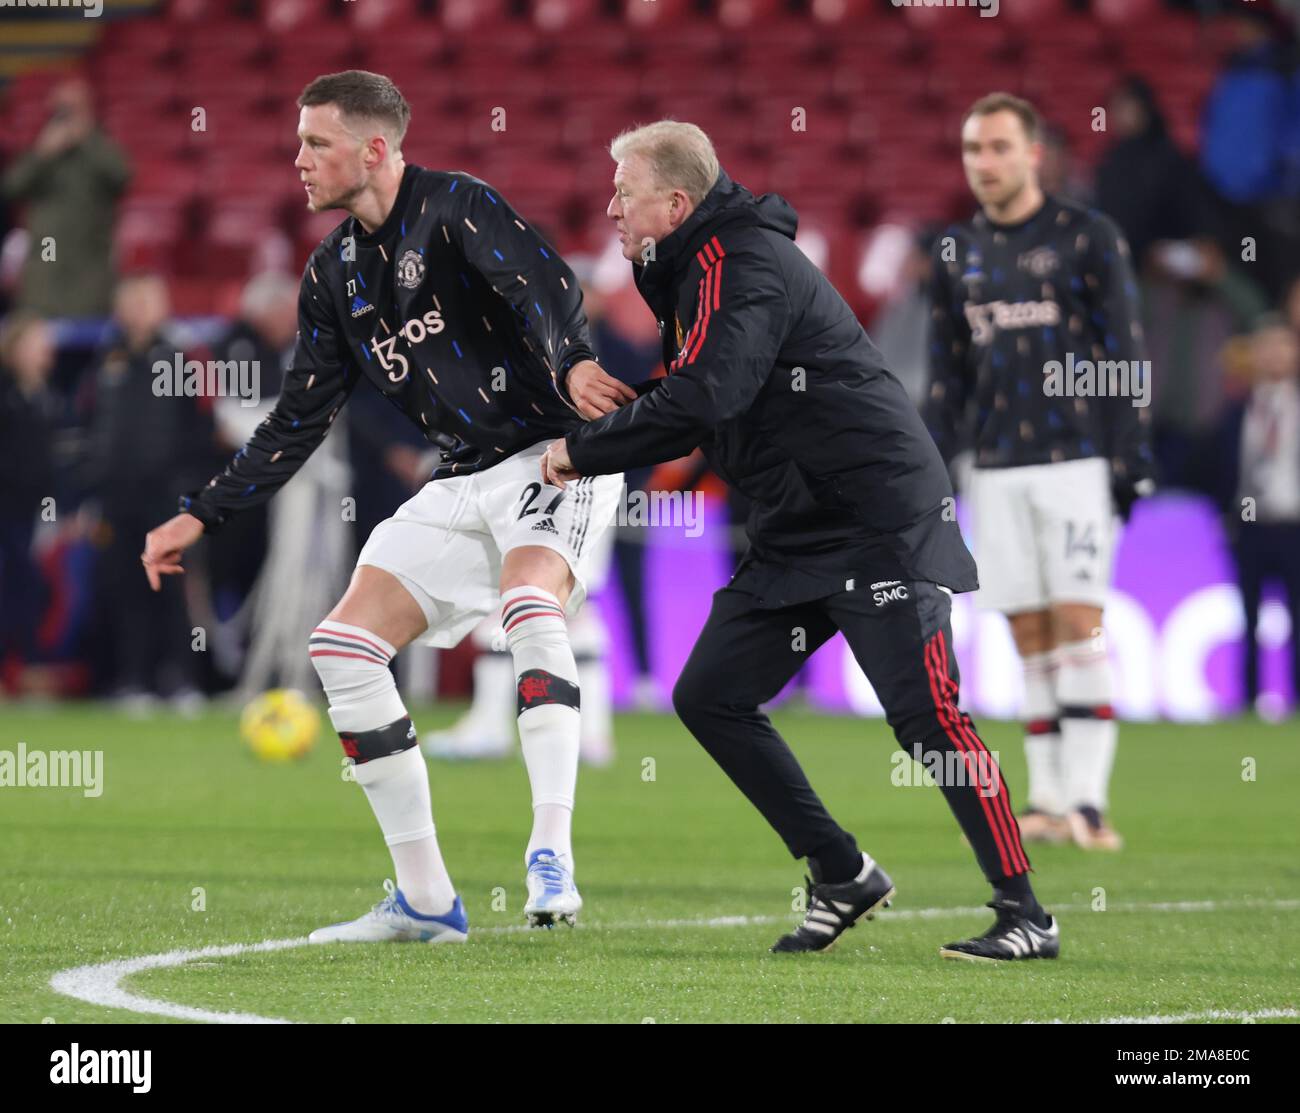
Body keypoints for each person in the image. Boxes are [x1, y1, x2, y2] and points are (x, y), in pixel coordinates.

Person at [542, 120, 1055, 962]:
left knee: (927, 716)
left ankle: (1026, 910)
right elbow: (711, 387)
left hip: (874, 512)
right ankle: (841, 869)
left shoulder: (738, 262)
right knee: (710, 693)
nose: (612, 208)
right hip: (798, 520)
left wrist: (580, 451)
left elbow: (709, 395)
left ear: (676, 203)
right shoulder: (686, 266)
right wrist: (621, 403)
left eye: (625, 193)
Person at [140, 71, 634, 939]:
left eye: (315, 142)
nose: (297, 160)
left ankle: (550, 848)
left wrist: (573, 365)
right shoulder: (333, 274)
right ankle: (427, 900)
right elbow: (299, 417)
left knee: (528, 602)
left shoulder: (459, 207)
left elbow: (543, 290)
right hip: (463, 474)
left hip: (557, 455)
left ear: (374, 149)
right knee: (341, 644)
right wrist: (203, 512)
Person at [924, 93, 1155, 851]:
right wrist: (931, 466)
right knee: (1026, 631)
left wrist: (1129, 455)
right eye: (971, 150)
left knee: (1077, 621)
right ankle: (1049, 798)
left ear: (1034, 154)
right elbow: (945, 376)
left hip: (1076, 458)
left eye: (996, 147)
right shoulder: (954, 250)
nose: (983, 163)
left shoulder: (1088, 238)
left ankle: (1089, 800)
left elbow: (1124, 353)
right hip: (995, 463)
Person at [1, 78, 131, 318]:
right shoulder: (41, 148)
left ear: (88, 110)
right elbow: (11, 188)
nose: (66, 117)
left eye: (73, 109)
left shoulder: (100, 145)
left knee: (87, 337)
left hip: (89, 266)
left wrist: (88, 139)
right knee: (37, 339)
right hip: (45, 266)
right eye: (61, 109)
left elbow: (122, 178)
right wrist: (42, 154)